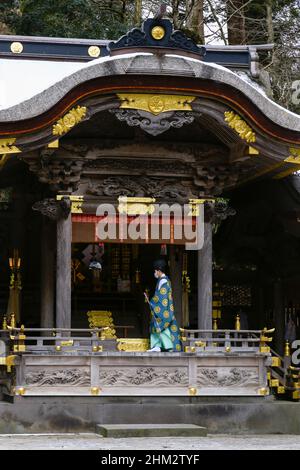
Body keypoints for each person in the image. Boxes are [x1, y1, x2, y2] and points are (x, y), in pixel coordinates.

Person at [144, 259, 182, 352]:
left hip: (163, 309)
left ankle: (158, 345)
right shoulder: (166, 280)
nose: (154, 272)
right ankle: (163, 346)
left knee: (157, 323)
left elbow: (160, 297)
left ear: (159, 270)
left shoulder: (163, 281)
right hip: (167, 309)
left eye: (155, 271)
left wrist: (151, 302)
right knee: (167, 329)